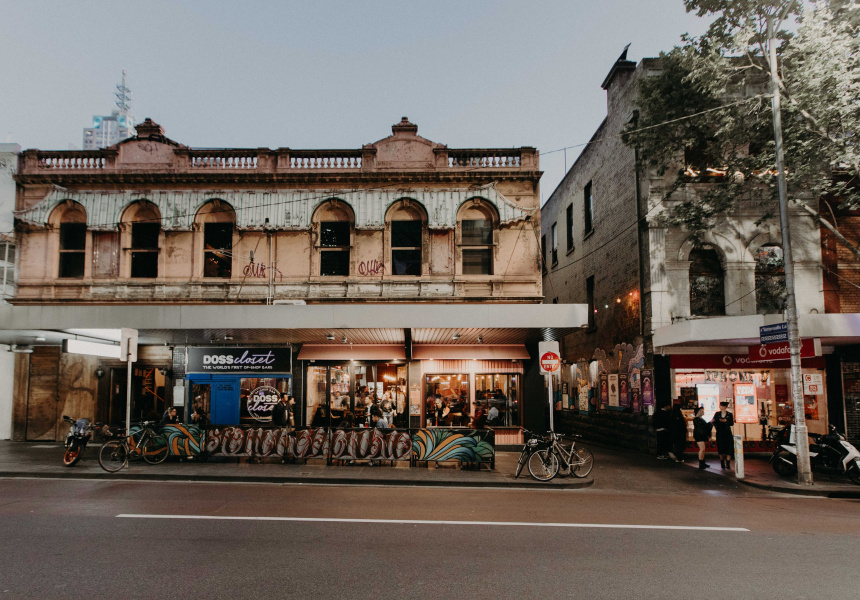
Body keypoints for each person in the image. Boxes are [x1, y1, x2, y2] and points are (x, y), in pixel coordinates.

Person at [712, 401, 735, 470]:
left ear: (725, 407)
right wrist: (718, 423)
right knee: (720, 447)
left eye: (721, 406)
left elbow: (731, 423)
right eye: (720, 405)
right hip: (720, 432)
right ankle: (722, 462)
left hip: (727, 432)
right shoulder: (717, 414)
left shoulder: (729, 414)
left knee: (729, 447)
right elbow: (714, 421)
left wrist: (726, 421)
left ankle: (728, 463)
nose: (720, 407)